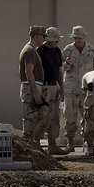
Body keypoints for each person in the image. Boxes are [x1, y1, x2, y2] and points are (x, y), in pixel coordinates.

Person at [61, 25, 94, 151]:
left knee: (87, 116)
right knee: (70, 116)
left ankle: (89, 144)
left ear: (84, 37)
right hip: (71, 90)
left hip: (85, 89)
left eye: (79, 37)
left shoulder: (91, 50)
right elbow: (60, 68)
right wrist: (67, 64)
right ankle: (70, 143)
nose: (77, 40)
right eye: (75, 37)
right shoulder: (67, 50)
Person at [19, 26, 52, 146]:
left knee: (38, 117)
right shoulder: (29, 51)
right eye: (43, 37)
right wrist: (36, 92)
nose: (44, 39)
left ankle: (32, 144)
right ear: (37, 36)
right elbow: (29, 72)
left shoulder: (32, 50)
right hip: (30, 88)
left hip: (33, 87)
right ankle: (28, 146)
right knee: (30, 118)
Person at [36, 27, 67, 155]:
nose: (57, 43)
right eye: (55, 40)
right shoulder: (40, 51)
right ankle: (36, 143)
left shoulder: (57, 51)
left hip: (54, 87)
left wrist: (62, 89)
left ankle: (52, 145)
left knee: (55, 117)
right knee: (43, 116)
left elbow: (60, 71)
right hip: (44, 87)